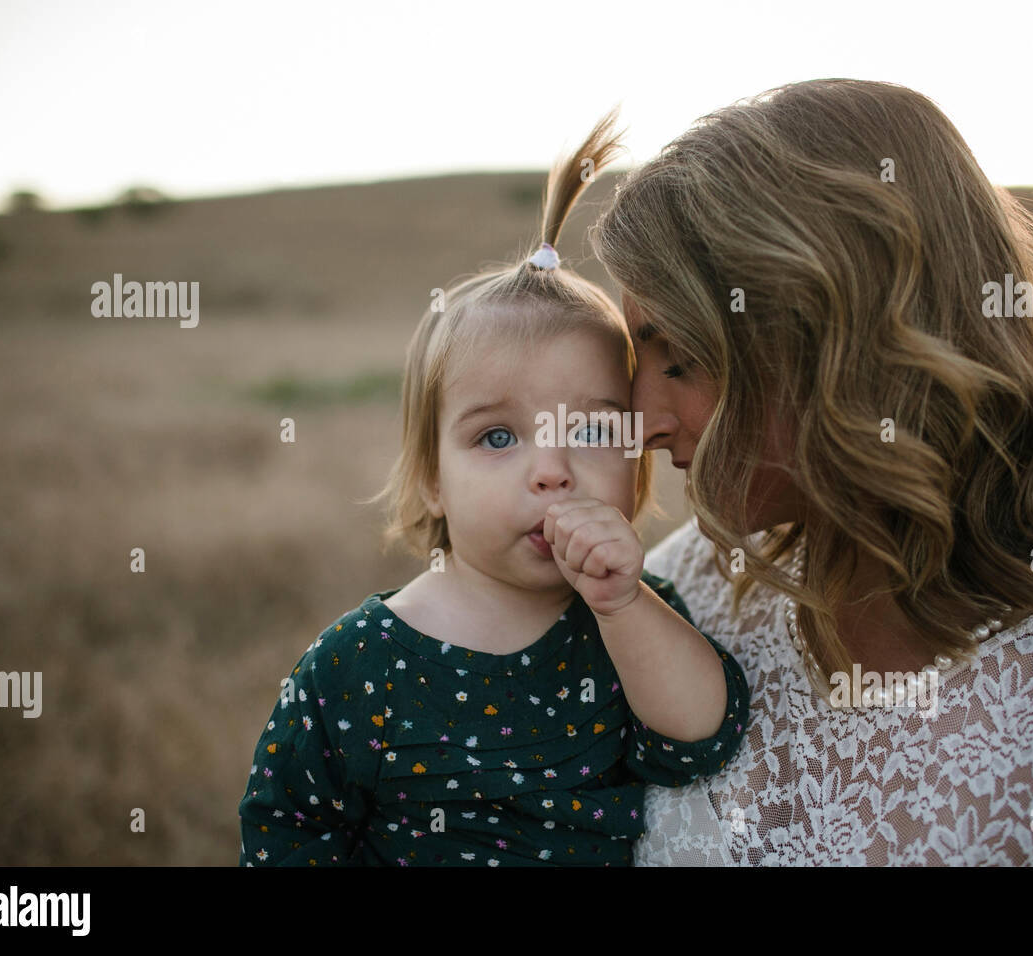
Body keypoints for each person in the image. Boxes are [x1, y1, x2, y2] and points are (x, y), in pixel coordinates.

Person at [588, 79, 1033, 865]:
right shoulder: (681, 593)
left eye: (682, 360)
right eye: (635, 362)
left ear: (845, 346)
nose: (642, 420)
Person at [236, 109, 749, 866]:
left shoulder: (630, 621)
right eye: (497, 437)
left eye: (593, 431)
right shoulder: (358, 665)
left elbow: (702, 739)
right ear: (431, 480)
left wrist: (622, 605)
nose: (551, 468)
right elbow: (286, 835)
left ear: (638, 469)